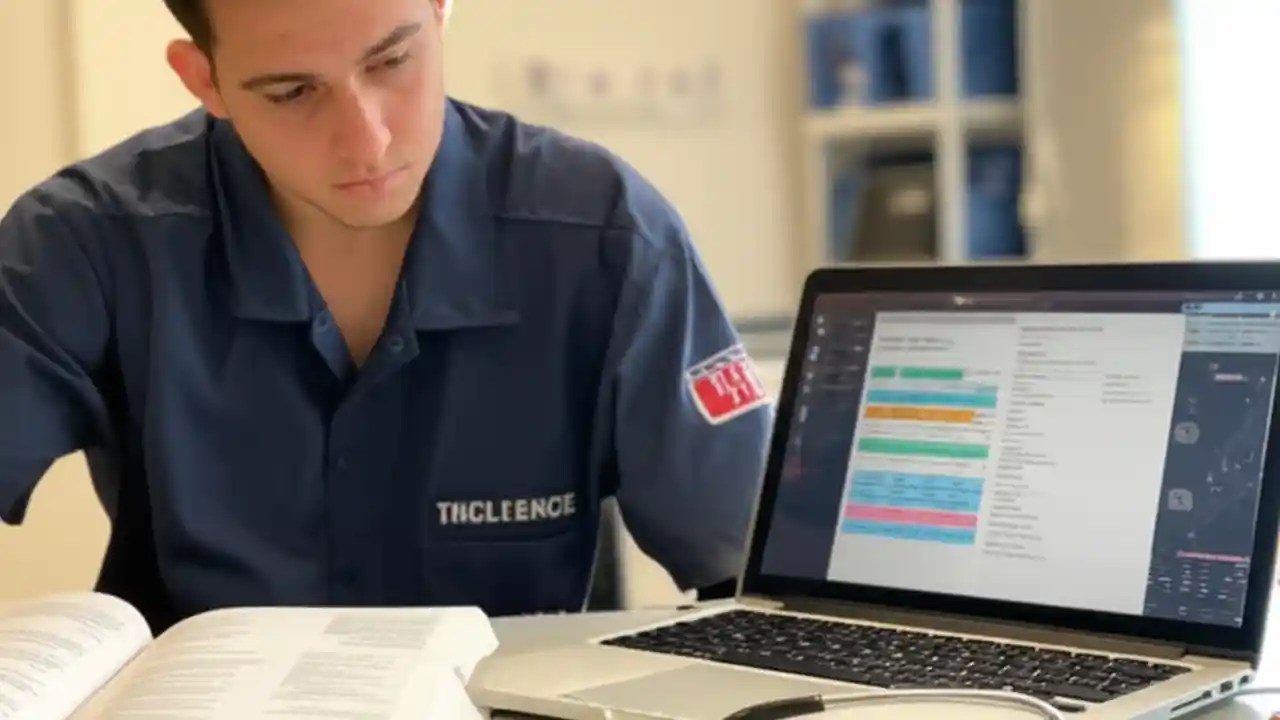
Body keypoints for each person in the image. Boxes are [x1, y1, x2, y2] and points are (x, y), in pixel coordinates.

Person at [0, 0, 773, 633]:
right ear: (204, 79)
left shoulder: (605, 234)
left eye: (392, 62)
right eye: (292, 93)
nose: (366, 140)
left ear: (440, 11)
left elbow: (750, 576)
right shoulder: (84, 241)